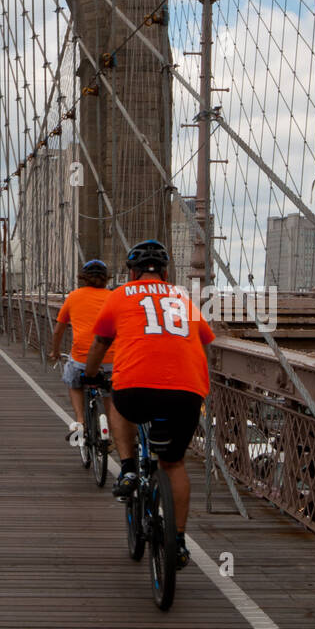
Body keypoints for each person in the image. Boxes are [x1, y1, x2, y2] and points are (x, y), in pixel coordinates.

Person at [83, 239, 214, 571]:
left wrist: (91, 375)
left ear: (131, 273)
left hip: (136, 389)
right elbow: (205, 338)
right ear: (167, 273)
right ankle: (179, 542)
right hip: (187, 392)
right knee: (174, 464)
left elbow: (101, 342)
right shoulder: (182, 297)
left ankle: (127, 469)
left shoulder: (118, 296)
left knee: (118, 400)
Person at [49, 259, 116, 443]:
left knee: (73, 381)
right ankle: (108, 427)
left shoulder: (74, 296)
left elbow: (58, 330)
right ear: (106, 279)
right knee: (109, 390)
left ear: (83, 279)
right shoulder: (114, 297)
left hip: (82, 359)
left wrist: (55, 352)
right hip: (112, 358)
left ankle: (80, 422)